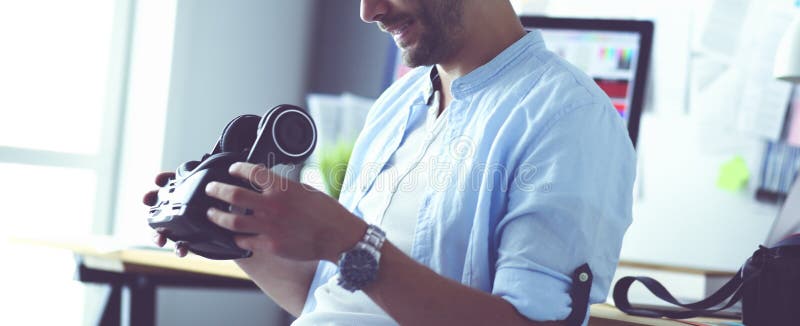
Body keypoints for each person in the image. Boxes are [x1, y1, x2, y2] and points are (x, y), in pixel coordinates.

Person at [143, 0, 636, 324]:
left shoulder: (568, 116)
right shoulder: (396, 105)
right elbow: (334, 300)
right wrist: (237, 234)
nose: (367, 11)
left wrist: (346, 240)